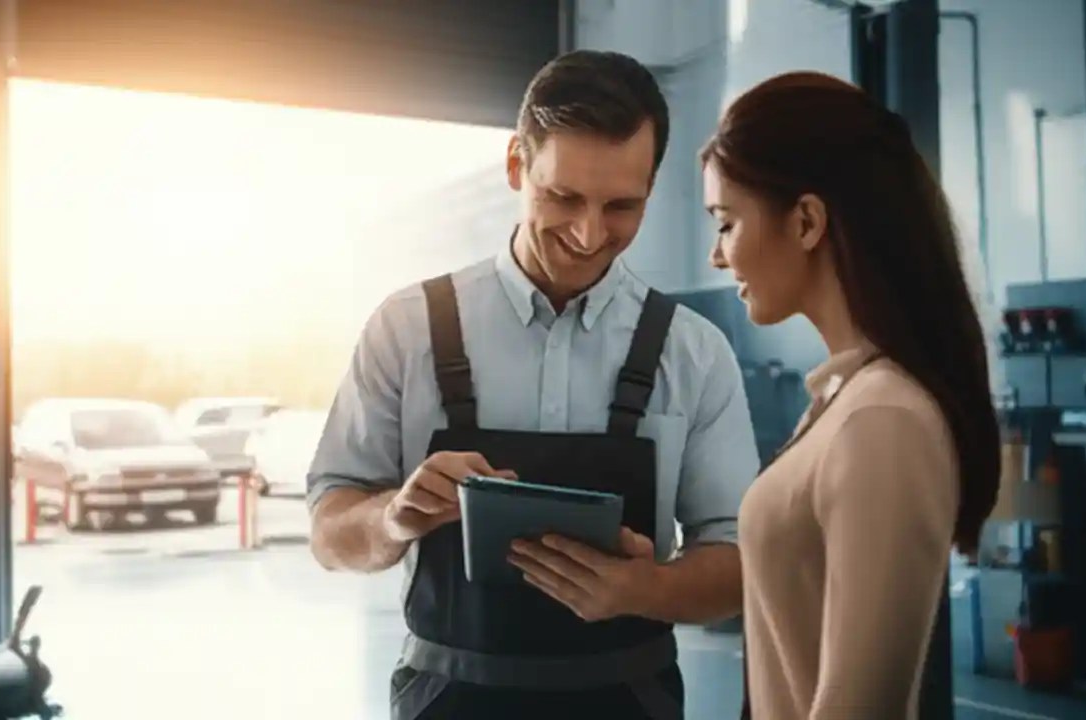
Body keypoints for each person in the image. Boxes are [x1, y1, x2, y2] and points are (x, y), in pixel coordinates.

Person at [307, 49, 760, 720]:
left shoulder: (693, 353)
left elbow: (738, 567)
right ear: (517, 164)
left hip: (629, 702)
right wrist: (393, 516)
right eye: (564, 197)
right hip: (446, 701)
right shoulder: (407, 331)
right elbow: (327, 532)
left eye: (621, 206)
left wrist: (647, 588)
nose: (588, 233)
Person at [700, 71, 1000, 719]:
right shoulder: (841, 404)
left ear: (806, 221)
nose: (716, 258)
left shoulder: (884, 420)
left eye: (725, 224)